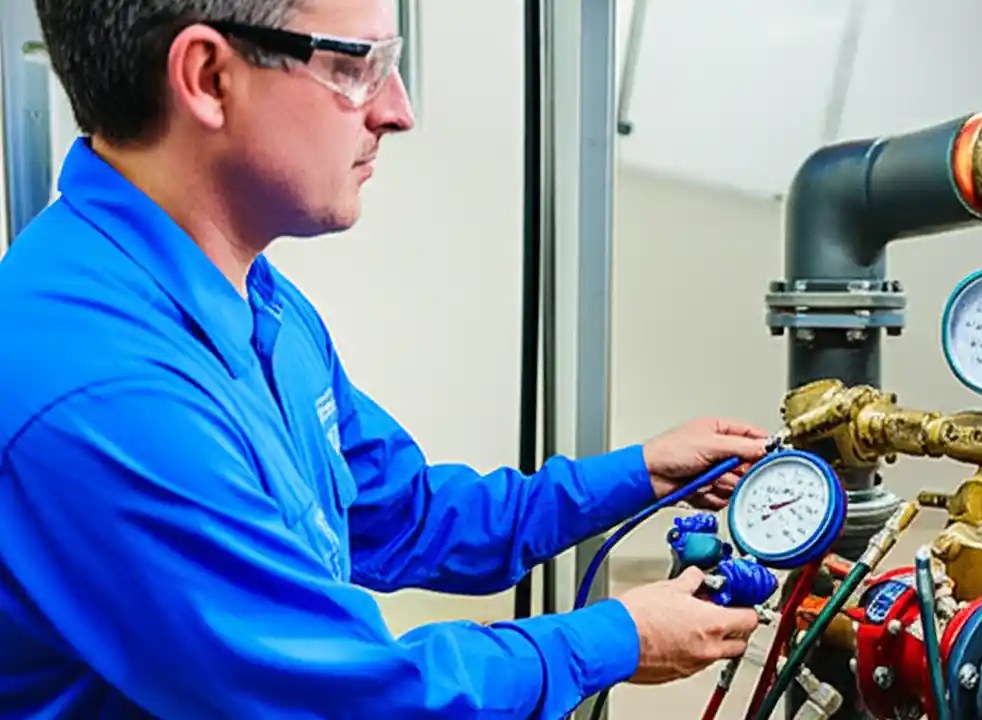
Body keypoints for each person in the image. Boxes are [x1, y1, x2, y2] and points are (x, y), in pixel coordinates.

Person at [0, 1, 770, 717]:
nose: (397, 110)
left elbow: (408, 519)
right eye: (357, 65)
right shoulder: (105, 391)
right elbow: (356, 699)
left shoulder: (255, 297)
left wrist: (642, 473)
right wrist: (616, 639)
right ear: (208, 77)